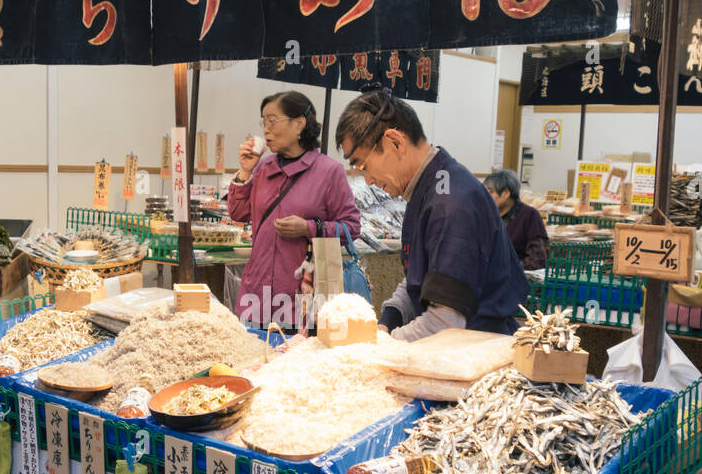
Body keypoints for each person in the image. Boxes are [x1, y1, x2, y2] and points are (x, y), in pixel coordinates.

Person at [336, 87, 528, 340]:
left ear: (395, 141)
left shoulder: (451, 203)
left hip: (473, 352)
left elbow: (445, 322)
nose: (368, 180)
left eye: (362, 164)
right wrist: (387, 321)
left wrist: (381, 346)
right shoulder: (432, 185)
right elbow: (422, 277)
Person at [227, 91, 360, 329]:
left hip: (302, 297)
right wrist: (245, 172)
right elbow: (238, 213)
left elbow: (351, 228)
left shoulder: (329, 172)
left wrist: (308, 228)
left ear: (299, 124)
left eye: (272, 120)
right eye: (263, 121)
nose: (265, 129)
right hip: (257, 293)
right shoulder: (263, 167)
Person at [485, 168, 549, 271]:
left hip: (517, 280)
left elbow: (536, 260)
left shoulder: (529, 215)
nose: (486, 197)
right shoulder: (488, 215)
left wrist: (503, 271)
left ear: (506, 193)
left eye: (490, 192)